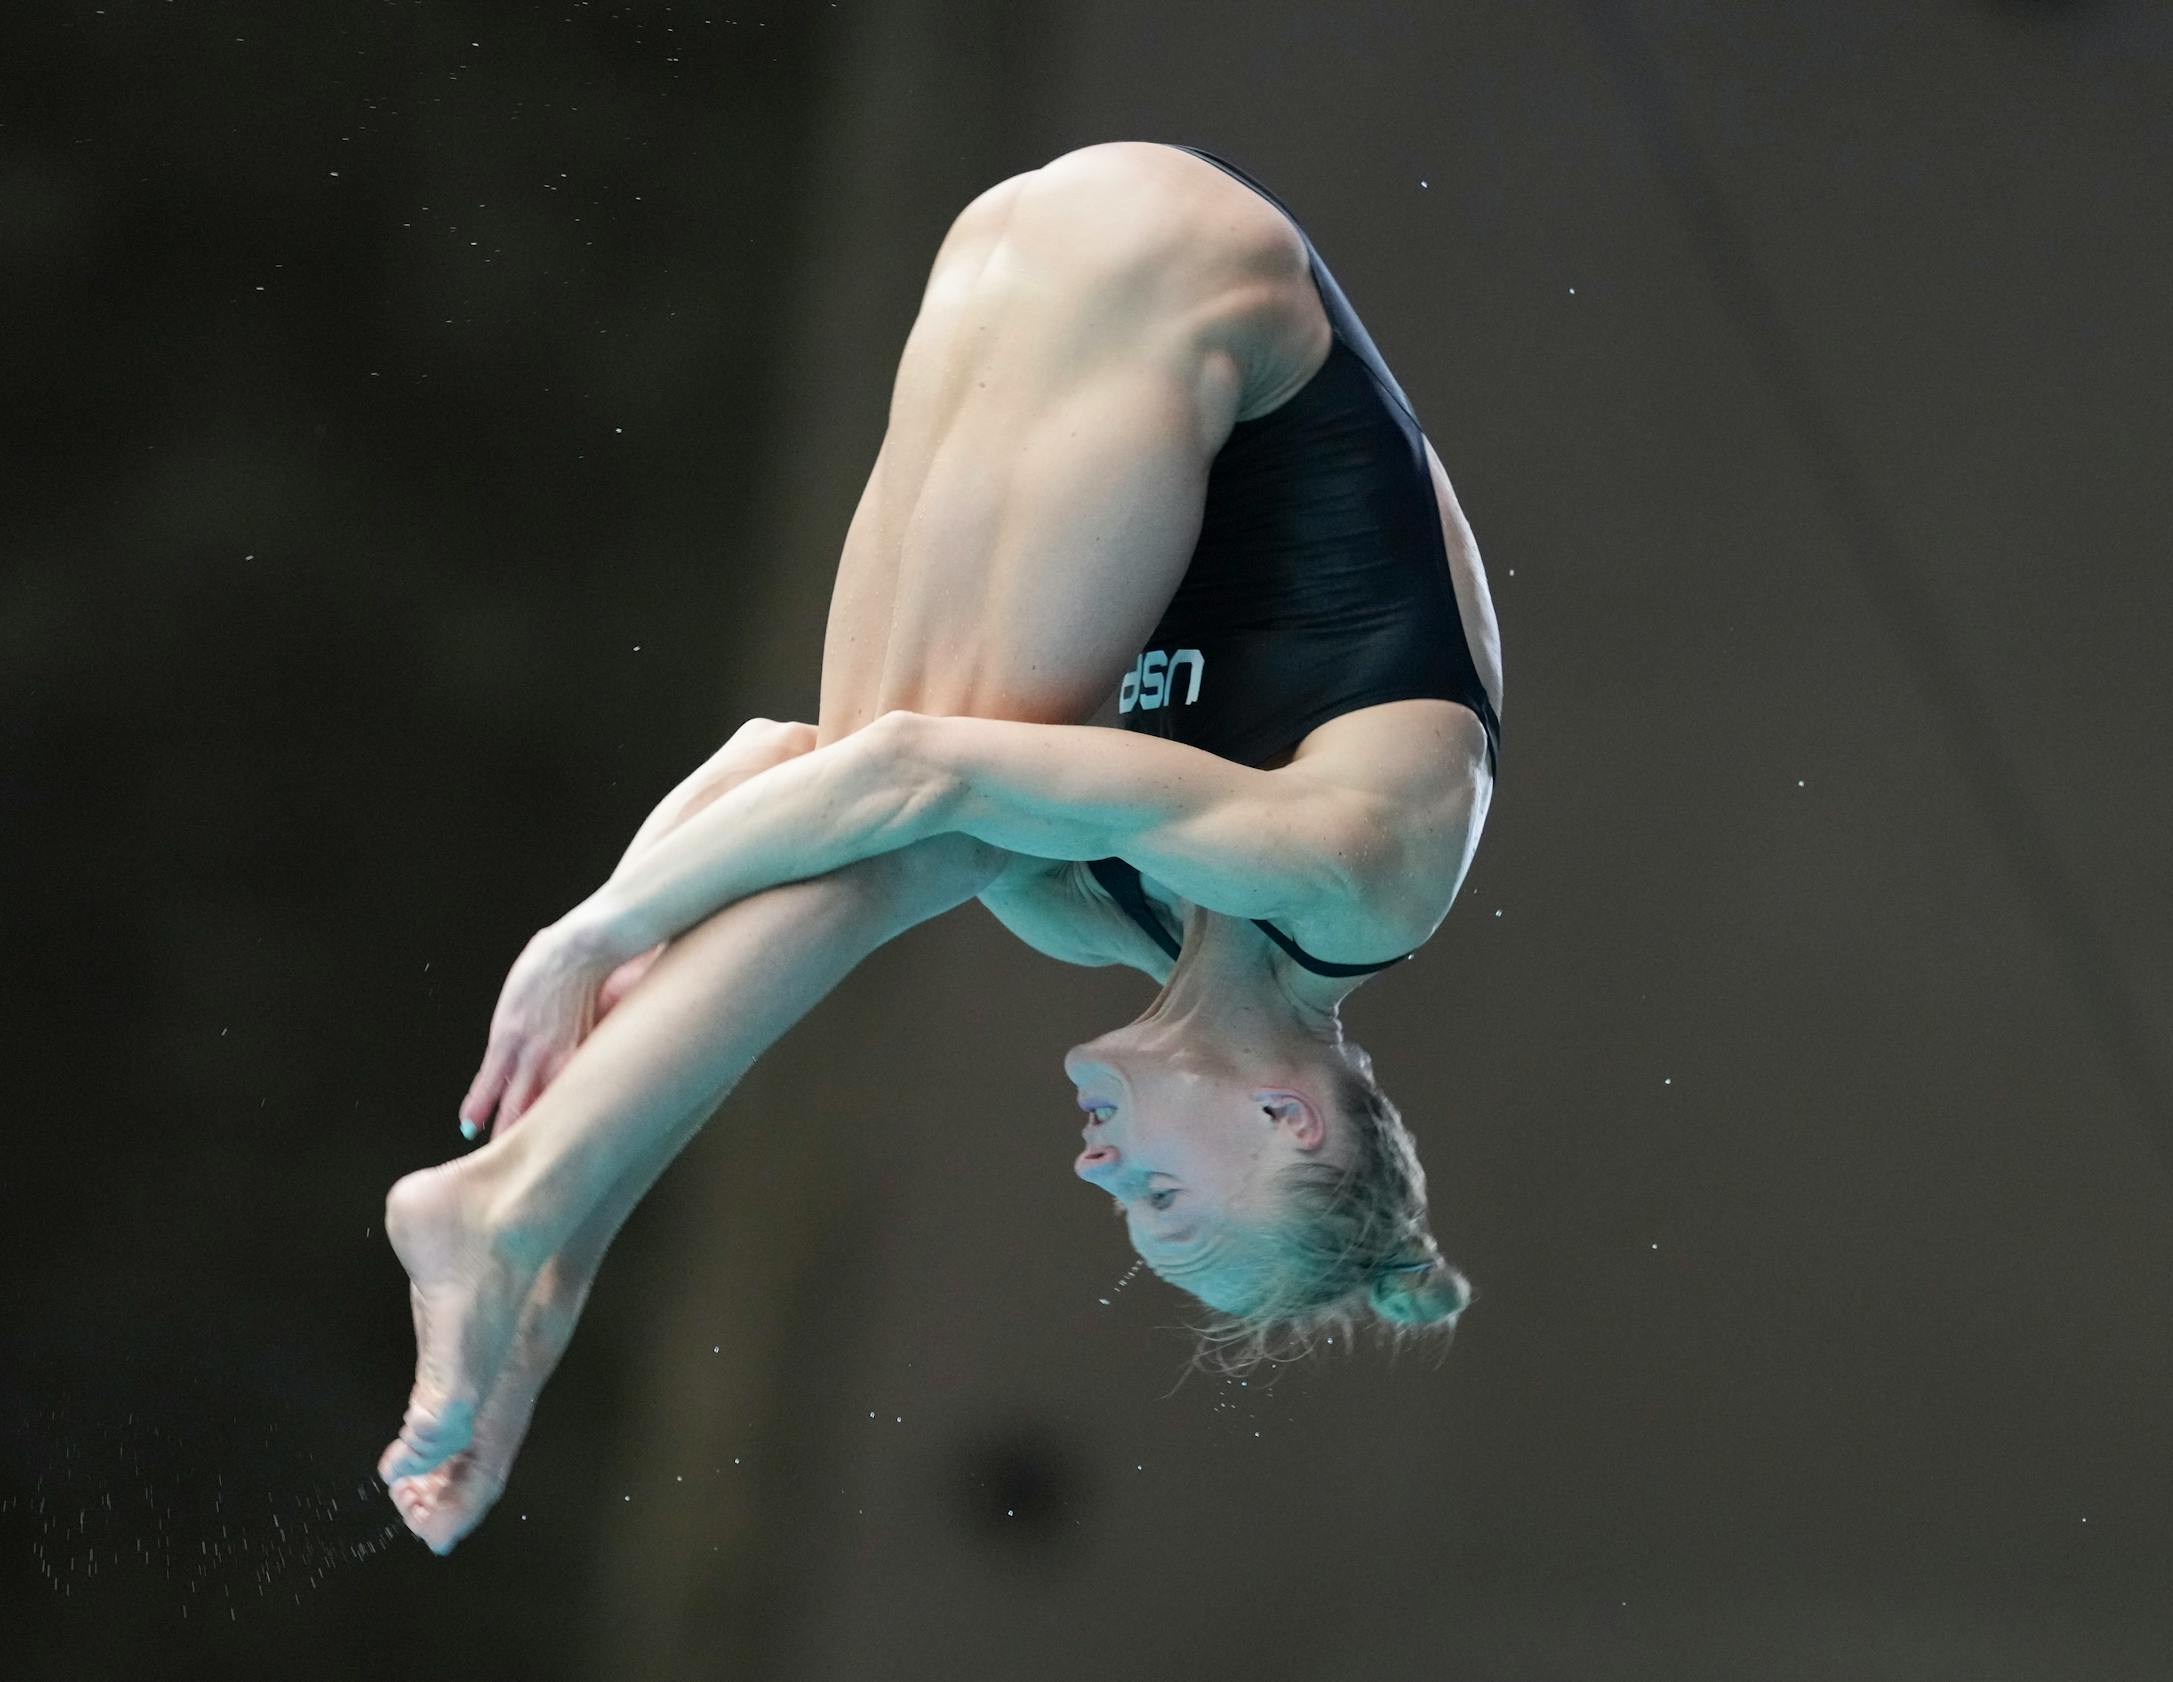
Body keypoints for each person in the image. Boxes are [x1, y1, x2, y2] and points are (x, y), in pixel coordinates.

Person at [377, 140, 1503, 1553]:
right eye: (1161, 1194)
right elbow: (914, 770)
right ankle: (515, 1212)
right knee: (936, 827)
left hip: (1030, 263)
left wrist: (612, 996)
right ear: (1291, 1119)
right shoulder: (1358, 881)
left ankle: (543, 1243)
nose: (1099, 1175)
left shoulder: (1097, 912)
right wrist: (590, 934)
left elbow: (781, 769)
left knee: (906, 831)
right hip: (1166, 257)